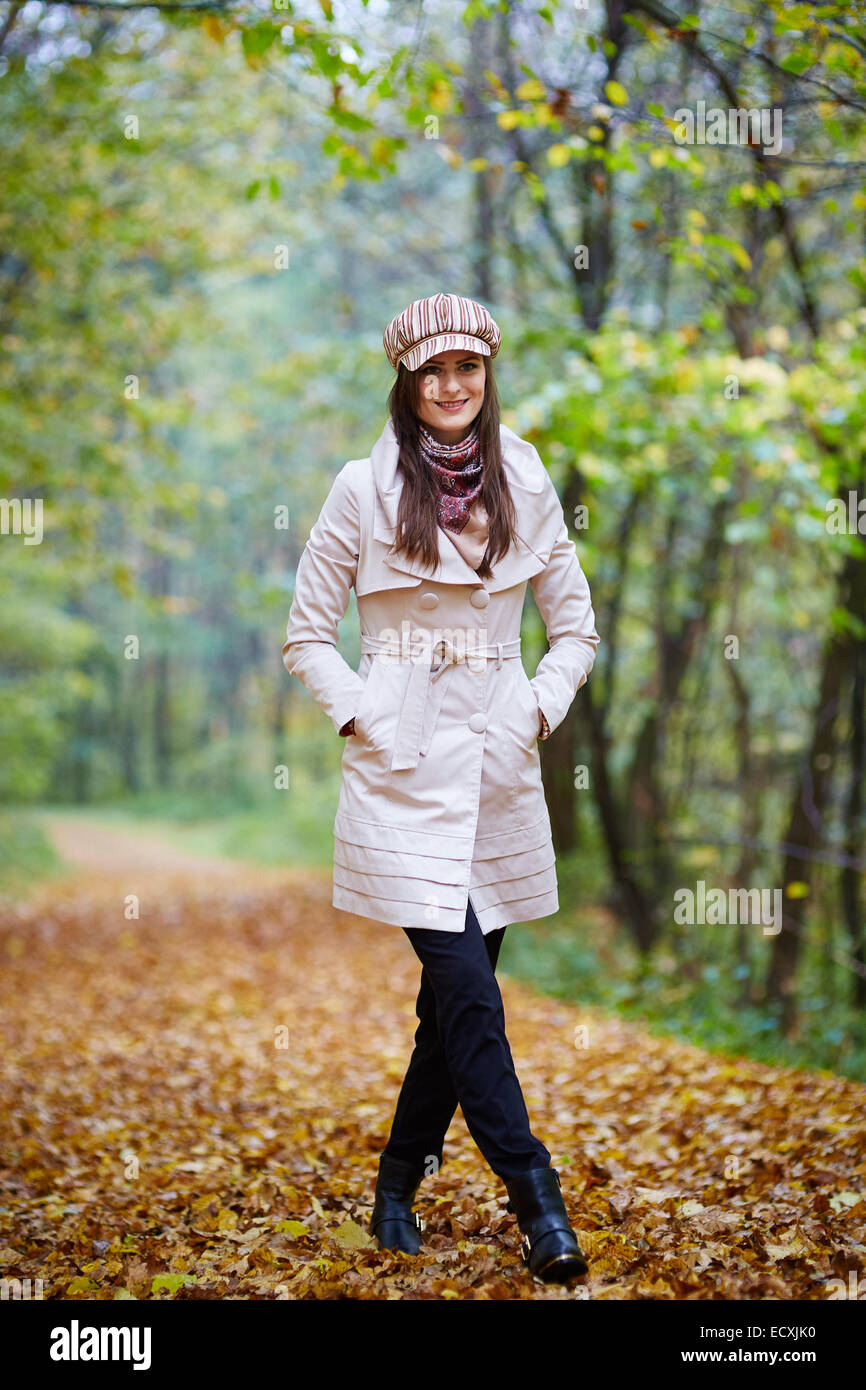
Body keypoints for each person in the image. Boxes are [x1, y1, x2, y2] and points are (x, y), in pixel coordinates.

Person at [282, 292, 601, 1283]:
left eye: (466, 368)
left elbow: (576, 629)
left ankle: (393, 1186)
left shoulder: (526, 480)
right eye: (432, 371)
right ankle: (535, 1200)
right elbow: (304, 636)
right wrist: (370, 716)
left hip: (499, 770)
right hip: (404, 773)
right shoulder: (358, 489)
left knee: (448, 1006)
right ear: (407, 383)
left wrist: (533, 712)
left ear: (484, 376)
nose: (451, 386)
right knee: (468, 992)